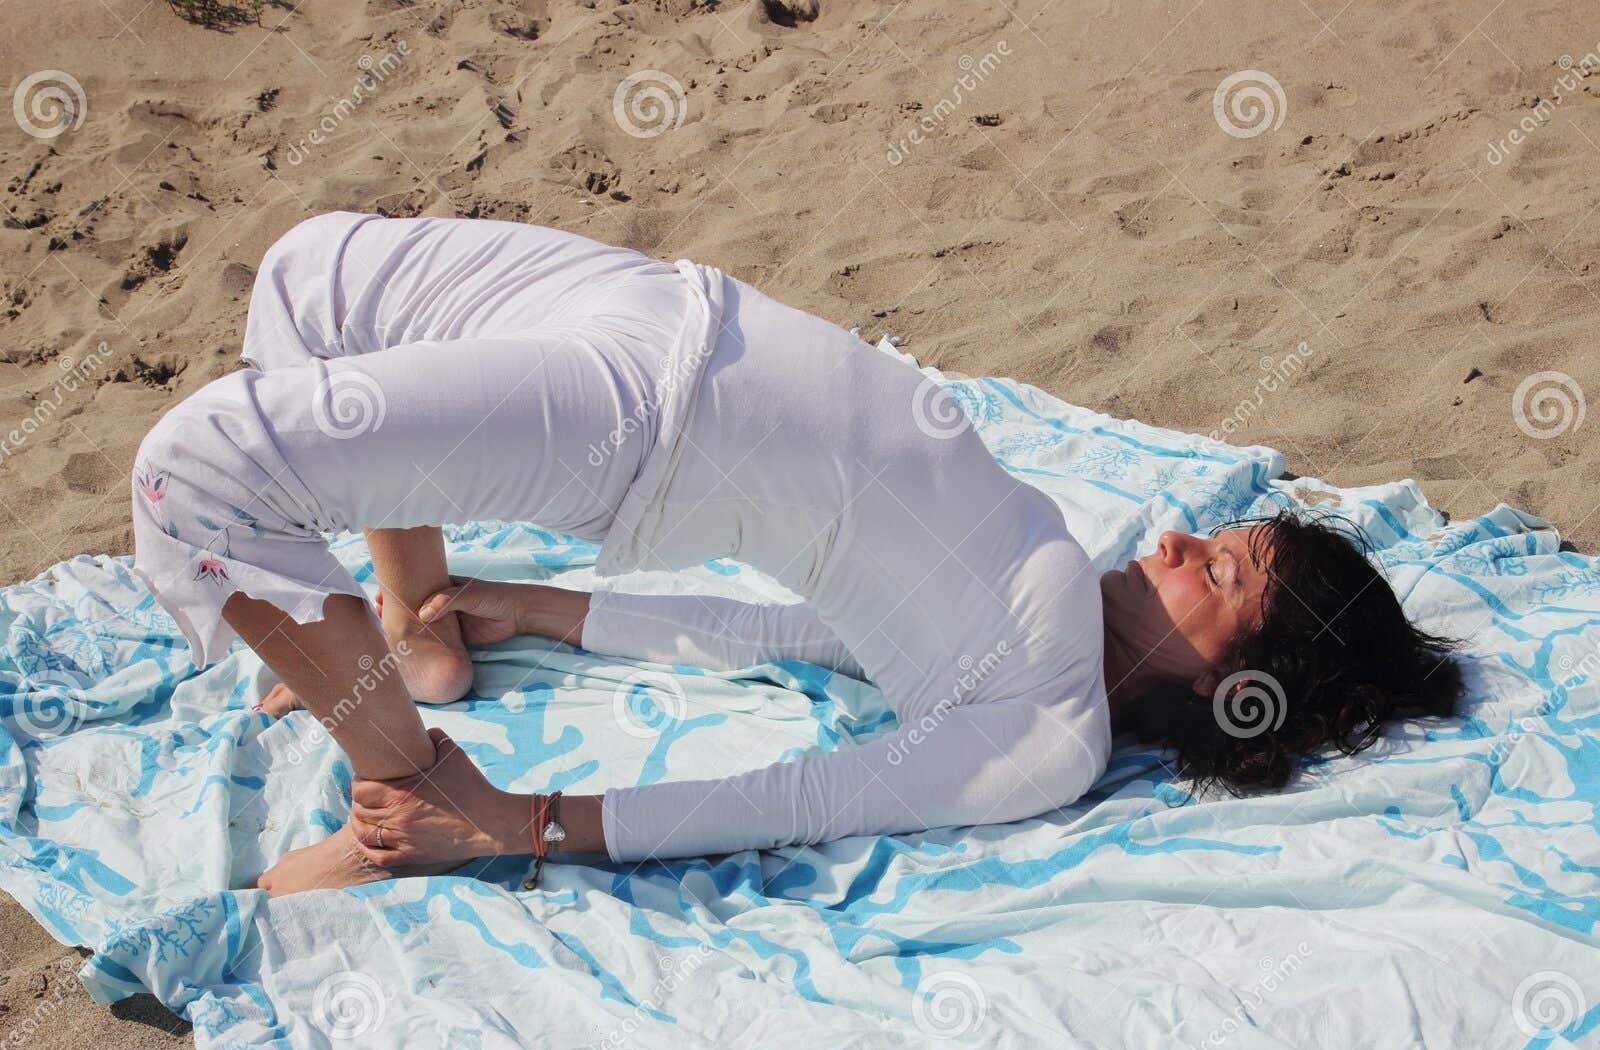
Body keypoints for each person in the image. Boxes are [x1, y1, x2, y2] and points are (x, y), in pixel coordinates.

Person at [130, 213, 1464, 895]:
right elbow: (798, 638)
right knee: (308, 275)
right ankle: (413, 618)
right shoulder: (1050, 598)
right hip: (662, 304)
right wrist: (532, 606)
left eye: (1217, 575)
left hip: (641, 427)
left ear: (1241, 687)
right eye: (1214, 540)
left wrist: (512, 823)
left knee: (193, 468)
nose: (1176, 537)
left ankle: (395, 794)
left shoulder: (1050, 735)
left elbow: (802, 794)